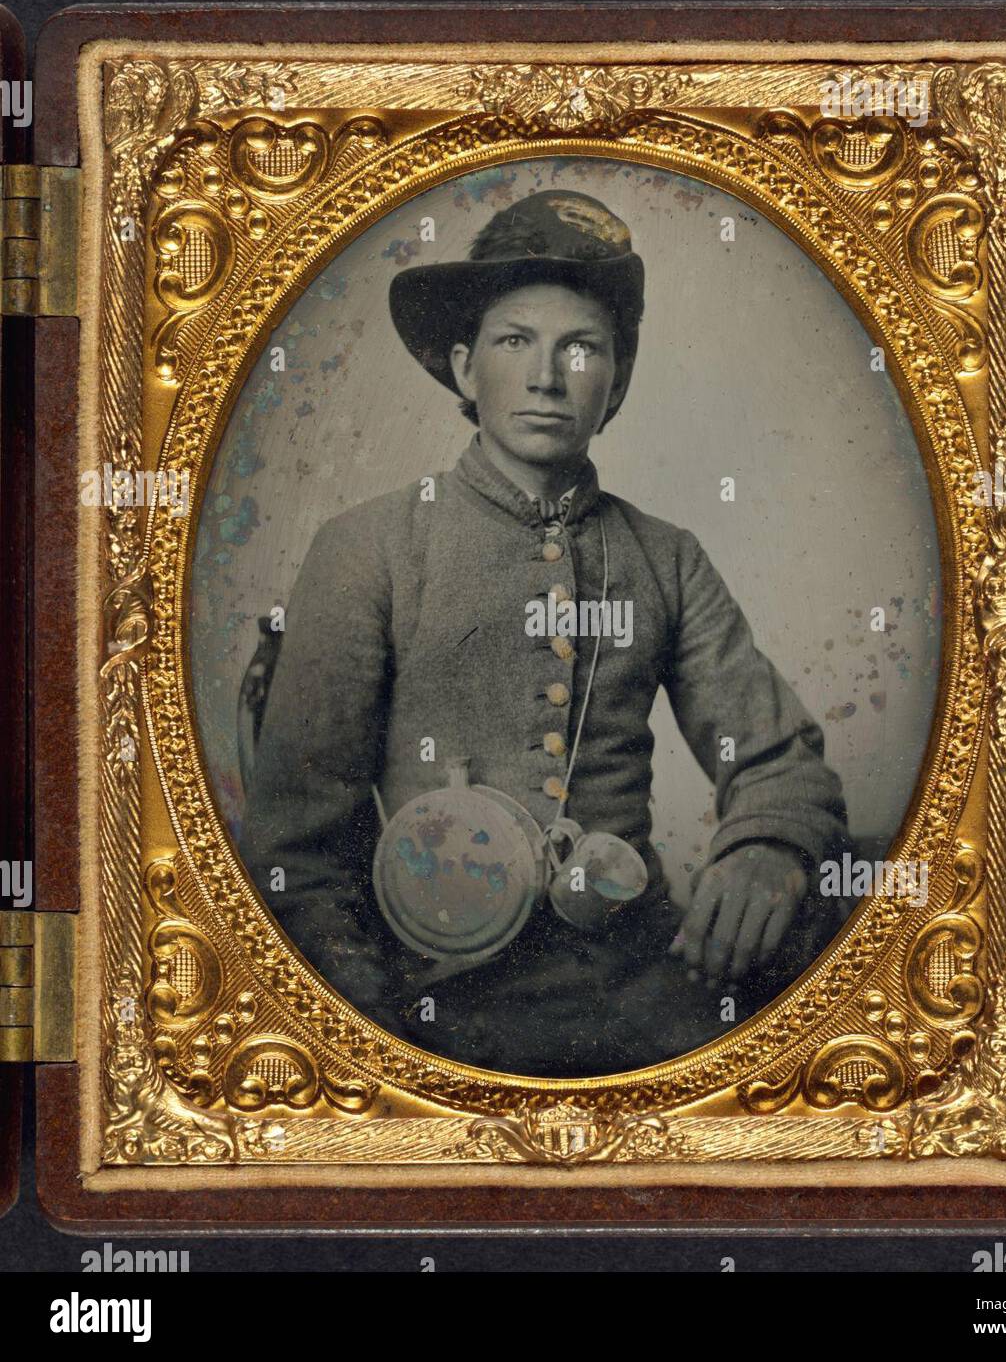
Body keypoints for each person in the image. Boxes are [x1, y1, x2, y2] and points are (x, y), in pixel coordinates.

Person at [240, 189, 849, 1077]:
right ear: (462, 368)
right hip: (434, 1006)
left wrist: (769, 848)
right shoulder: (368, 548)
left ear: (617, 384)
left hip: (648, 995)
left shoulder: (667, 557)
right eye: (514, 342)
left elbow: (781, 762)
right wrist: (377, 1032)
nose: (546, 376)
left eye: (582, 349)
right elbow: (298, 854)